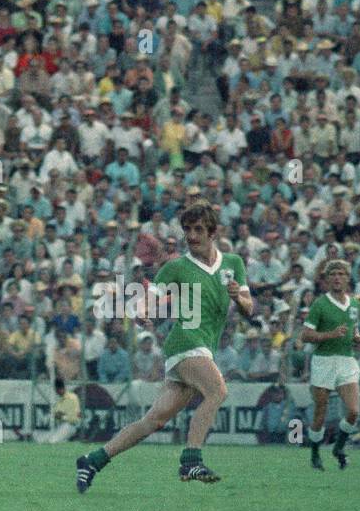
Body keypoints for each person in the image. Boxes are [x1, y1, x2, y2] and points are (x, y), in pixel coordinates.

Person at [77, 202, 253, 490]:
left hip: (202, 347)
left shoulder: (233, 264)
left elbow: (249, 308)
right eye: (187, 230)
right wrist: (143, 309)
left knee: (153, 421)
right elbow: (152, 294)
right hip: (185, 341)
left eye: (198, 229)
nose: (192, 236)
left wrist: (239, 297)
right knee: (217, 391)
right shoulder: (177, 266)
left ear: (213, 232)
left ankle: (93, 459)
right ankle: (191, 459)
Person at [301, 259, 360, 470]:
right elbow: (306, 335)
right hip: (324, 361)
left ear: (347, 278)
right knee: (321, 410)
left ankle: (338, 447)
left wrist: (357, 338)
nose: (337, 277)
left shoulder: (355, 303)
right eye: (333, 274)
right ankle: (315, 453)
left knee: (354, 410)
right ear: (327, 279)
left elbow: (352, 329)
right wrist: (330, 334)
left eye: (341, 274)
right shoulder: (320, 304)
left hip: (346, 360)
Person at [43, 376, 80, 443]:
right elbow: (55, 413)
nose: (56, 392)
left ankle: (69, 441)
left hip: (69, 426)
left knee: (52, 441)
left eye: (56, 390)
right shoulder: (60, 400)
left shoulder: (72, 398)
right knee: (44, 439)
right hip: (60, 425)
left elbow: (74, 418)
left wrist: (61, 417)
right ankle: (66, 441)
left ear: (59, 389)